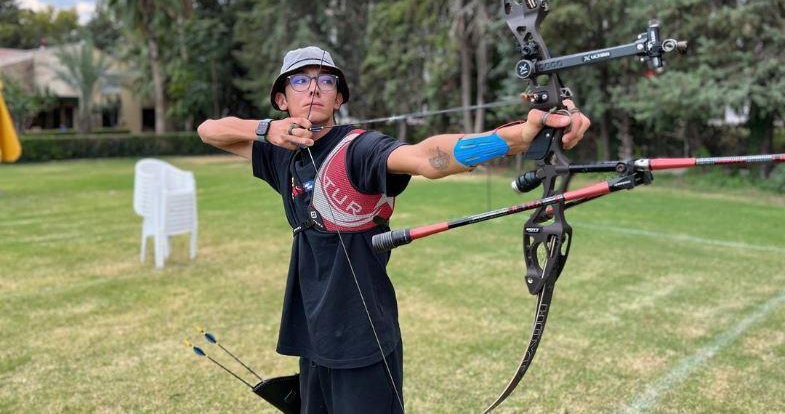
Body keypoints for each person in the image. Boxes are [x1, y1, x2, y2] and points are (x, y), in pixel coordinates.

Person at [197, 46, 590, 413]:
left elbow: (427, 158)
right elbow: (210, 130)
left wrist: (517, 137)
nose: (314, 88)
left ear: (339, 98)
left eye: (326, 81)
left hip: (362, 339)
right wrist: (267, 129)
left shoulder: (359, 149)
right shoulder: (281, 154)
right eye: (300, 80)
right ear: (283, 99)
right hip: (311, 336)